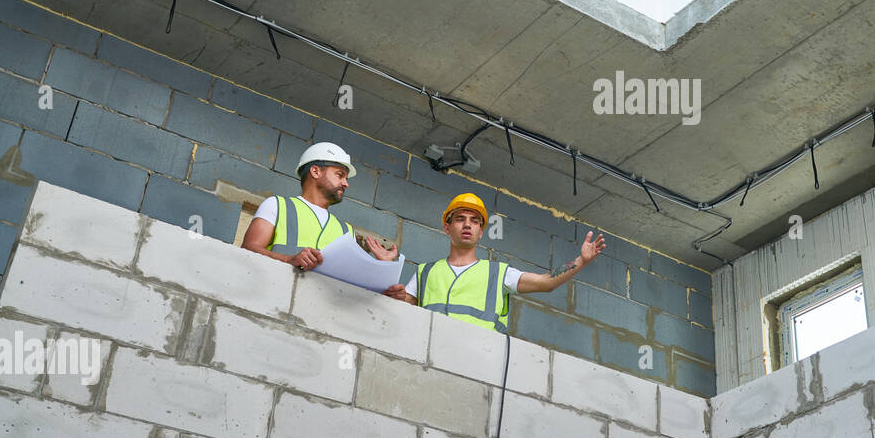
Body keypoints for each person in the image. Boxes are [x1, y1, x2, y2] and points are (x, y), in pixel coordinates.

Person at [381, 192, 605, 333]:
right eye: (460, 219)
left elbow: (546, 282)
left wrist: (580, 261)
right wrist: (388, 275)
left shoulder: (499, 274)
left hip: (482, 362)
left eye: (474, 221)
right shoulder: (425, 272)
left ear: (481, 232)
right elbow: (401, 304)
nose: (467, 225)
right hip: (427, 355)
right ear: (447, 228)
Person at [242, 142, 399, 270]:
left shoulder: (346, 231)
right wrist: (289, 260)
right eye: (339, 175)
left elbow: (348, 280)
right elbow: (248, 249)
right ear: (315, 171)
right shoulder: (277, 205)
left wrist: (383, 267)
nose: (346, 183)